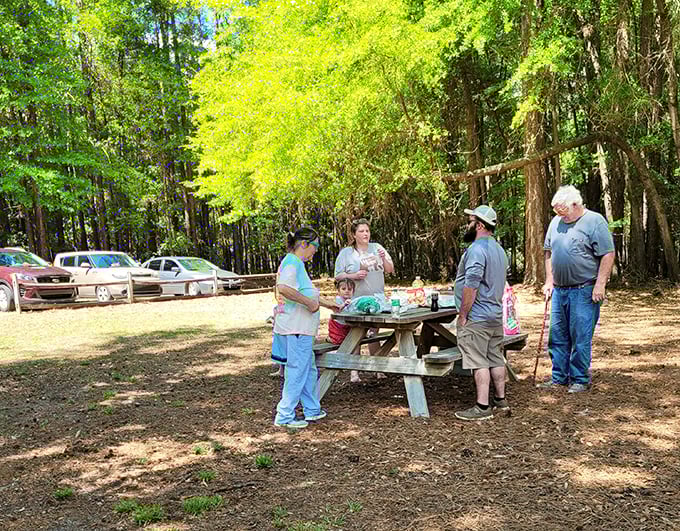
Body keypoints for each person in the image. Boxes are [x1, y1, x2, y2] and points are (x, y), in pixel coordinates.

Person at [540, 185, 615, 393]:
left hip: (584, 289)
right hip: (559, 290)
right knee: (557, 335)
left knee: (580, 335)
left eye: (561, 208)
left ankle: (580, 378)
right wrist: (549, 280)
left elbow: (607, 254)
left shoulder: (594, 221)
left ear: (575, 204)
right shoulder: (555, 222)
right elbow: (549, 253)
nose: (558, 212)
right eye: (555, 209)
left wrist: (600, 284)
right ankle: (558, 377)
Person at [272, 227, 340, 429]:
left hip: (300, 328)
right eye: (315, 246)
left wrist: (329, 304)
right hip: (296, 328)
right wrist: (310, 304)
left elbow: (305, 291)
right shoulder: (293, 262)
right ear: (304, 244)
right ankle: (284, 415)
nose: (316, 251)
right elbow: (284, 288)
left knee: (308, 369)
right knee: (297, 370)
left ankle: (312, 409)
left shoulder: (295, 263)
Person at [453, 205, 509, 421]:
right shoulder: (499, 250)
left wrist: (464, 314)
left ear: (479, 225)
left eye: (470, 221)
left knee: (478, 361)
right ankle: (501, 401)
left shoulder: (477, 250)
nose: (467, 225)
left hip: (478, 315)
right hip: (494, 315)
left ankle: (482, 407)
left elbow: (472, 285)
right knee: (495, 357)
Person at [334, 218, 394, 381]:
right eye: (361, 231)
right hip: (356, 299)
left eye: (367, 230)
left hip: (377, 297)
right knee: (357, 333)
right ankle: (355, 371)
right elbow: (338, 275)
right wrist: (353, 275)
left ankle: (378, 368)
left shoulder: (377, 248)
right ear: (354, 234)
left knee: (374, 332)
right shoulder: (347, 253)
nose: (365, 234)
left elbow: (390, 269)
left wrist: (385, 258)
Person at [327, 278, 362, 381]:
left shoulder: (354, 301)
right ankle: (334, 356)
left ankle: (354, 373)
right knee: (347, 344)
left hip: (349, 328)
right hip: (338, 328)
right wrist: (343, 305)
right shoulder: (337, 300)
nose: (347, 291)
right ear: (338, 291)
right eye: (343, 289)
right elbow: (337, 311)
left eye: (349, 289)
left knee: (356, 343)